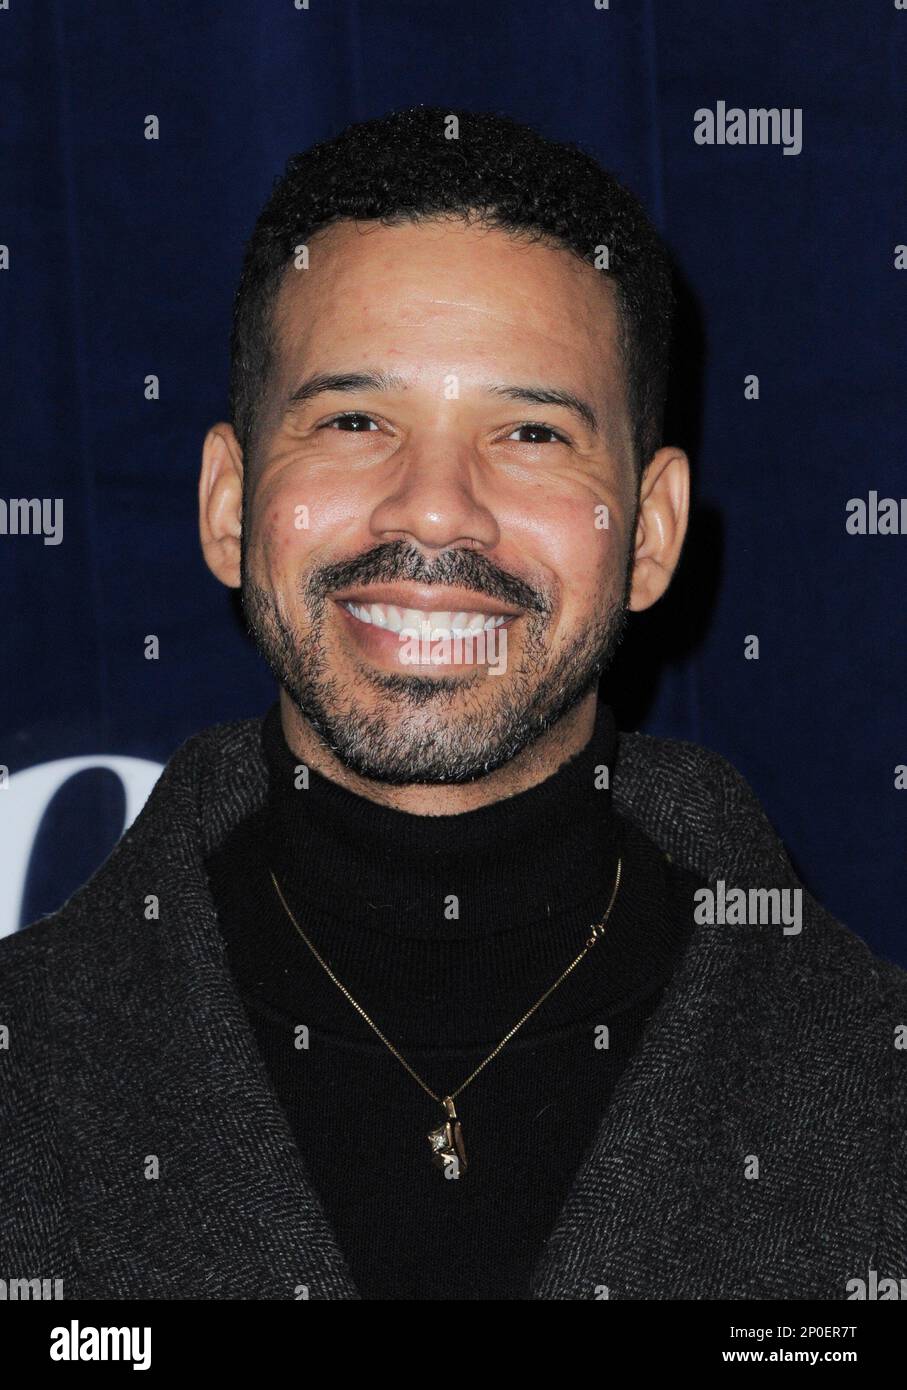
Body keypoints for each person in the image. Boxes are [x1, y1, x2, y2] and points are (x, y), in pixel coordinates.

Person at [2, 106, 905, 1302]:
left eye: (531, 431)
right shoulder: (29, 1075)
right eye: (355, 420)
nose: (434, 510)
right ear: (228, 503)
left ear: (651, 532)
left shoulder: (874, 1096)